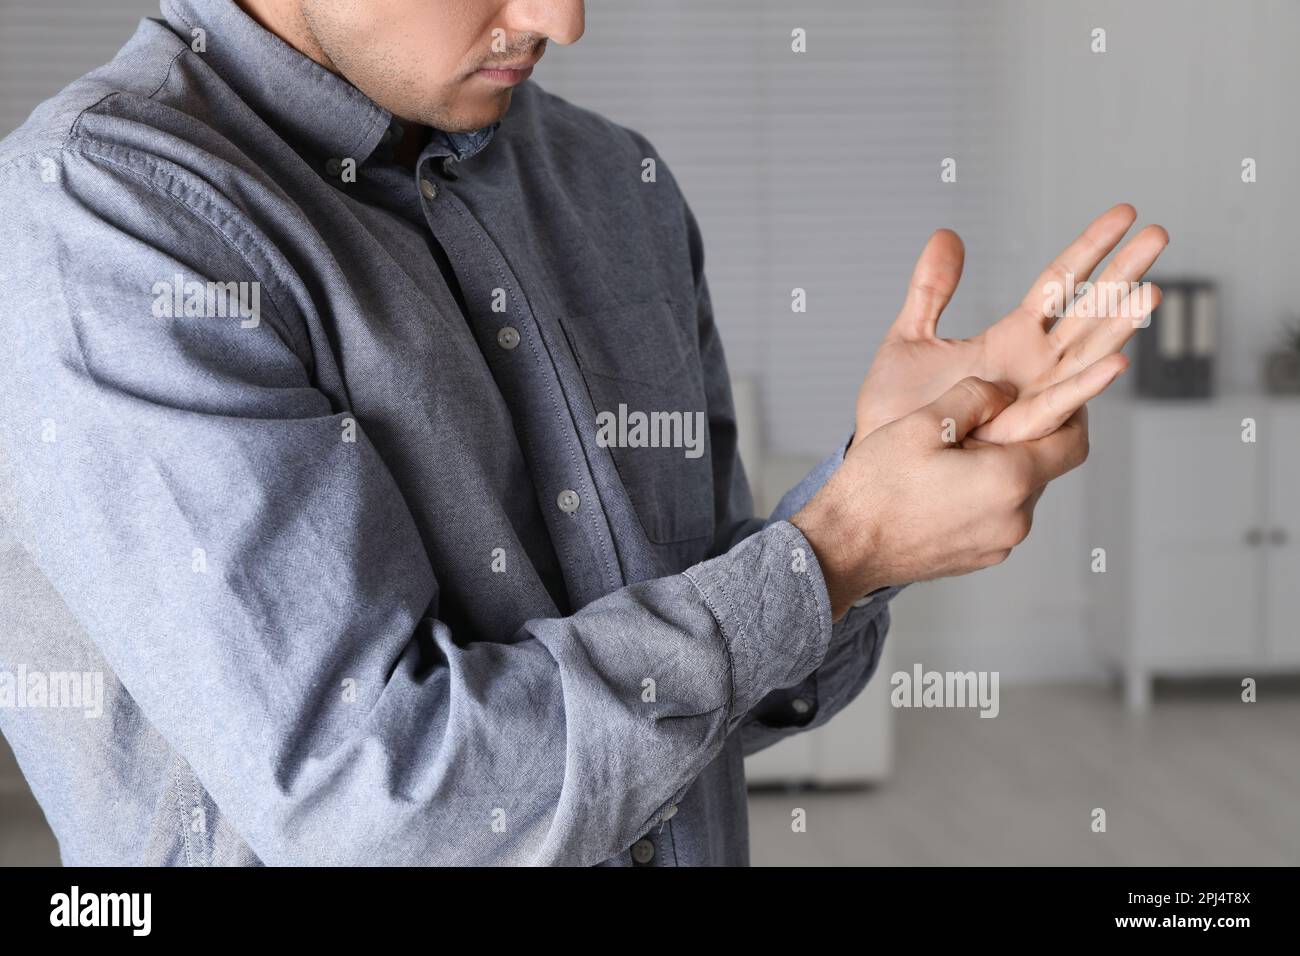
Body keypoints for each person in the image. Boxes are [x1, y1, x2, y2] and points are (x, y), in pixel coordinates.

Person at [0, 0, 1167, 866]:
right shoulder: (103, 219)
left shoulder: (614, 181)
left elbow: (708, 680)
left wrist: (881, 489)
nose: (563, 18)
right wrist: (839, 547)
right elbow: (378, 802)